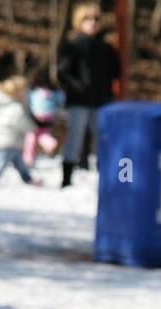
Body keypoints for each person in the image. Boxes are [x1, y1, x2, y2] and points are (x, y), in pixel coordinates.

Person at [56, 3, 119, 188]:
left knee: (104, 141)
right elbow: (63, 72)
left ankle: (106, 180)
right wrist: (78, 87)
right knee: (74, 140)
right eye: (87, 19)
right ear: (79, 22)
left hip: (101, 102)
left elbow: (116, 72)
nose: (92, 23)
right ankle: (66, 181)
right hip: (79, 101)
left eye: (96, 19)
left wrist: (113, 49)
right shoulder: (73, 45)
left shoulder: (105, 47)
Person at [0, 76, 40, 185]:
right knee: (1, 162)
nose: (27, 93)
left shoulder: (4, 103)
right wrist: (33, 128)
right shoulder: (15, 107)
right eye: (25, 90)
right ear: (17, 91)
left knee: (18, 161)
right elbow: (22, 121)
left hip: (5, 137)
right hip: (8, 139)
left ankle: (27, 179)